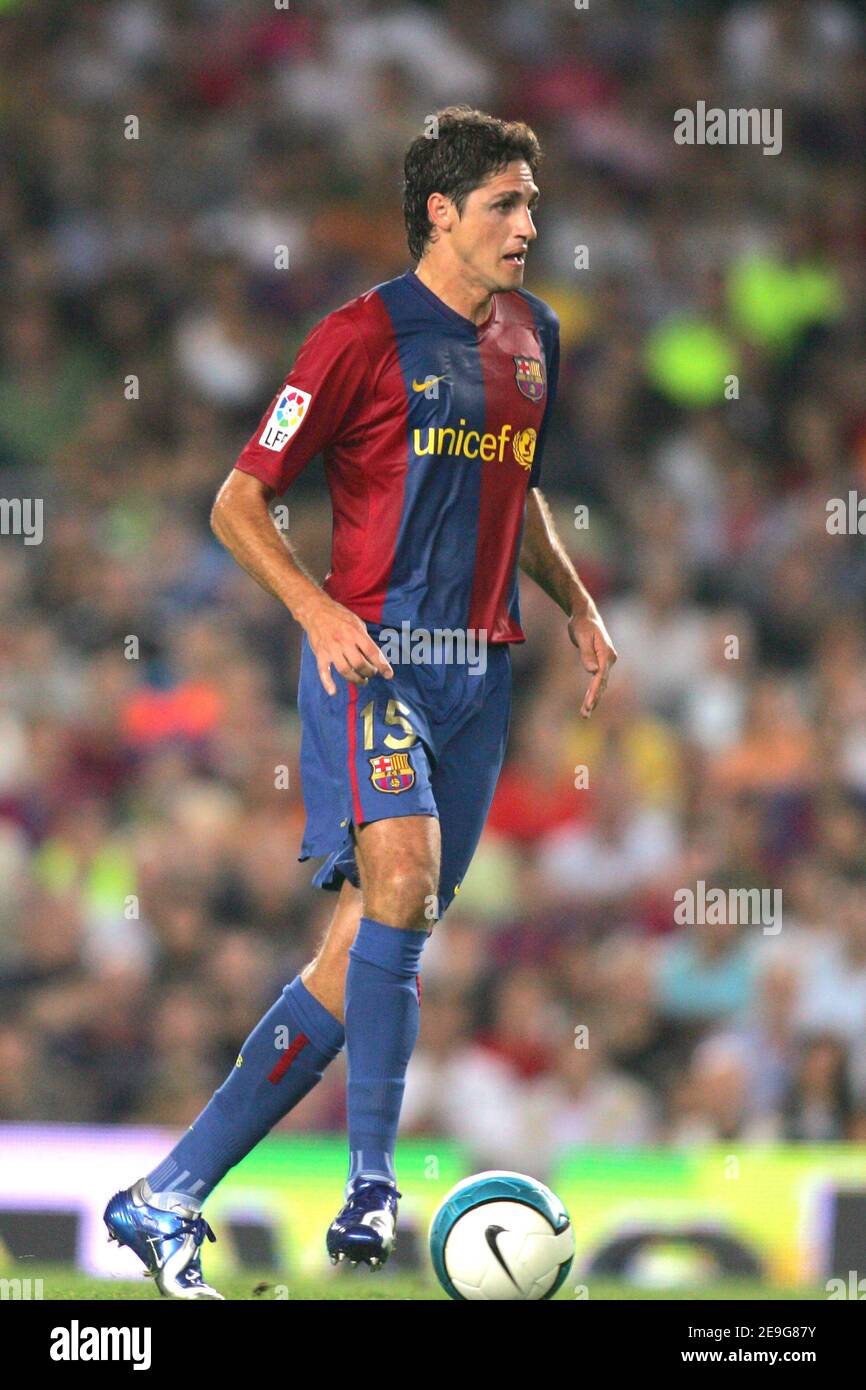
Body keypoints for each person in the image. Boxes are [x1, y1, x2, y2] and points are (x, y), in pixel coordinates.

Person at [104, 106, 616, 1298]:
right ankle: (371, 1182)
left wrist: (580, 606)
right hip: (372, 655)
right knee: (398, 884)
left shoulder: (532, 337)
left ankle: (164, 1194)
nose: (528, 227)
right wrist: (316, 611)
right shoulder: (354, 337)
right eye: (504, 204)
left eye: (531, 204)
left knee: (368, 947)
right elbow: (238, 501)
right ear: (438, 211)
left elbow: (517, 490)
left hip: (480, 674)